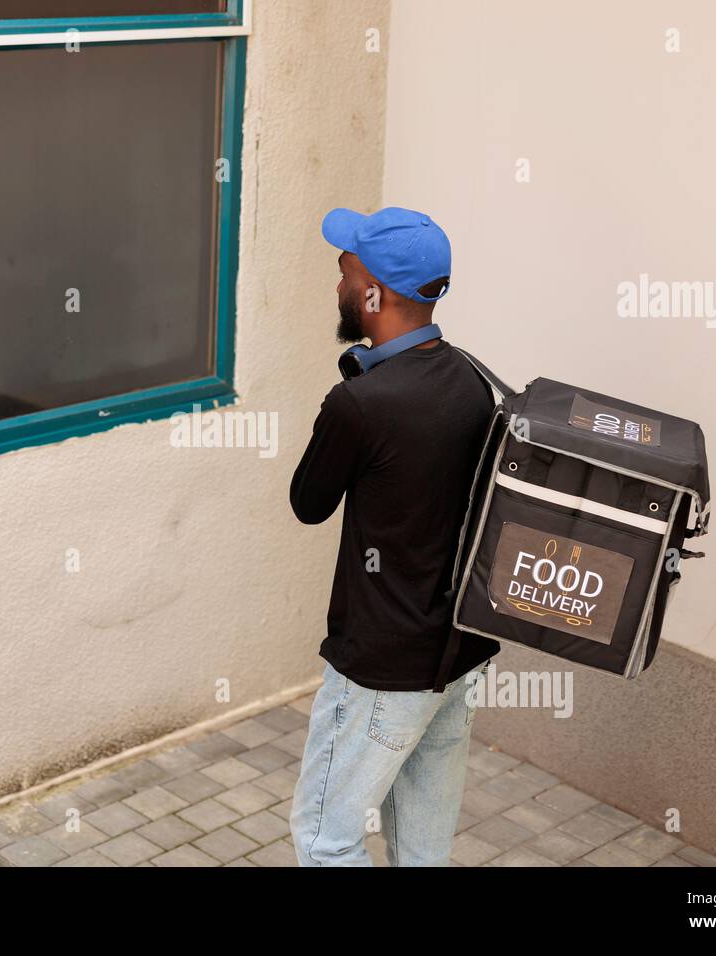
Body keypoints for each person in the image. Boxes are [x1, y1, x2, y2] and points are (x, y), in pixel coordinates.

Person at [287, 206, 501, 866]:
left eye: (346, 272)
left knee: (326, 839)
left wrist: (355, 389)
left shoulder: (360, 403)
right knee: (421, 851)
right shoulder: (473, 381)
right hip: (453, 659)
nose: (339, 285)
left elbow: (308, 503)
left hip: (380, 669)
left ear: (375, 294)